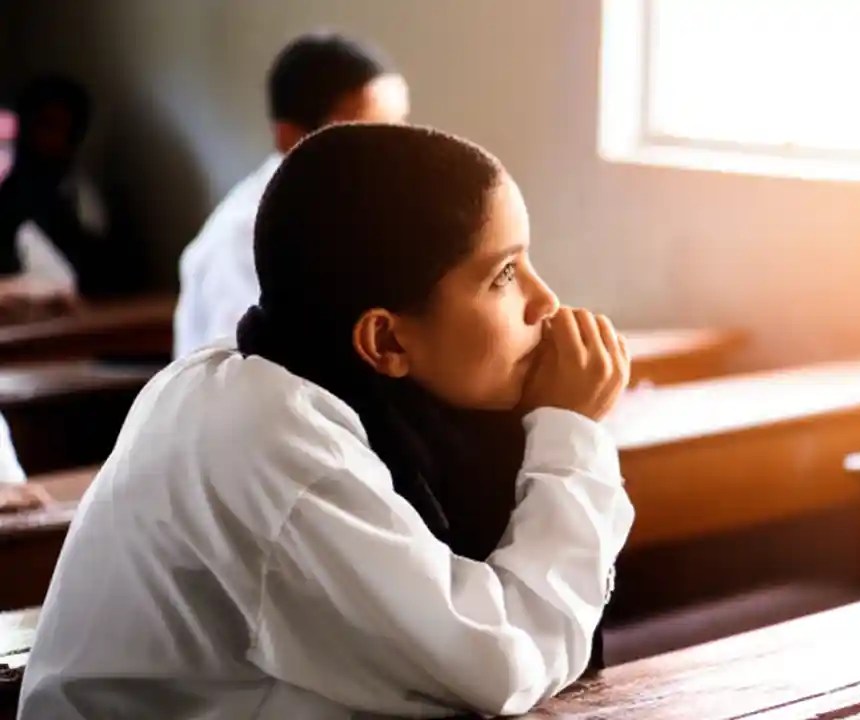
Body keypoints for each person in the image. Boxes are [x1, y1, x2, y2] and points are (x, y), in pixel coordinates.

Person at [21, 123, 634, 719]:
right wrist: (570, 435)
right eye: (504, 274)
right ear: (385, 340)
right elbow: (499, 664)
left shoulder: (309, 384)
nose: (546, 300)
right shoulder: (268, 436)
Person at [173, 31, 411, 358]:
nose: (393, 152)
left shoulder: (368, 210)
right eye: (366, 134)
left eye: (398, 126)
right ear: (290, 137)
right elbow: (247, 371)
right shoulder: (240, 239)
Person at [0, 75, 108, 317]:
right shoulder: (9, 202)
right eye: (47, 126)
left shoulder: (83, 191)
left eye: (66, 129)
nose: (57, 140)